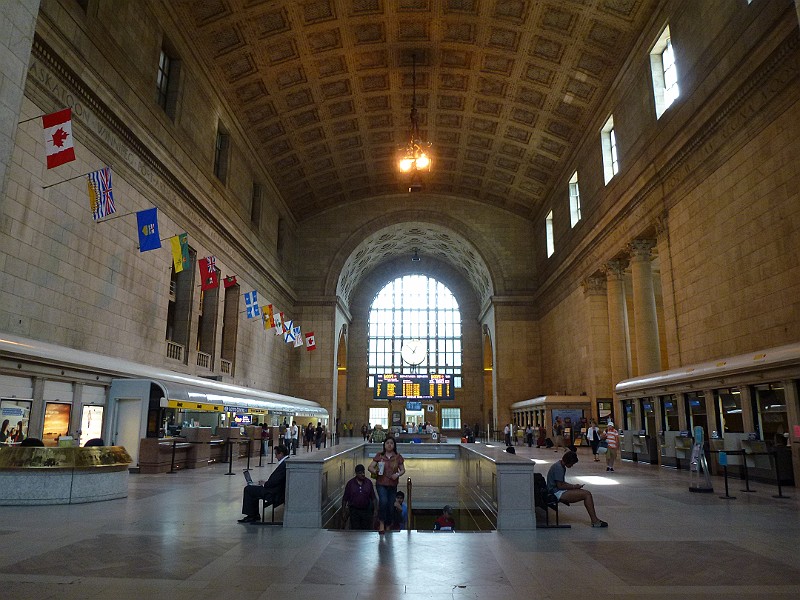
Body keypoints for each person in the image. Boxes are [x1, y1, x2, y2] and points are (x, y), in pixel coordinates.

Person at [546, 450, 608, 527]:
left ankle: (594, 520)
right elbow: (560, 486)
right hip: (556, 492)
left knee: (585, 493)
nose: (572, 466)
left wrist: (574, 486)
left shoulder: (560, 465)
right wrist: (574, 487)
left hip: (556, 490)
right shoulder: (559, 468)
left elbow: (561, 483)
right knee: (587, 494)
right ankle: (594, 520)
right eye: (572, 464)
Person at [238, 444, 289, 523]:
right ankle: (254, 514)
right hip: (278, 491)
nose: (275, 457)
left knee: (248, 489)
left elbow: (275, 481)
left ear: (281, 454)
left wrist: (265, 484)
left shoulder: (284, 464)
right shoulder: (286, 462)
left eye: (276, 454)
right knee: (253, 489)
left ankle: (251, 515)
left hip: (274, 493)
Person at [368, 436, 405, 534]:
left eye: (391, 443)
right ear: (384, 445)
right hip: (381, 483)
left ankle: (388, 524)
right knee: (383, 501)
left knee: (390, 504)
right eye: (387, 443)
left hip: (392, 484)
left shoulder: (397, 457)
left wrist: (397, 474)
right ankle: (381, 523)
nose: (389, 445)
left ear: (394, 445)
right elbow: (370, 467)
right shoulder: (380, 456)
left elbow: (402, 470)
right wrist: (375, 470)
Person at [341, 464, 376, 530]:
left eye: (363, 472)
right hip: (354, 511)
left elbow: (373, 497)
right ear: (356, 473)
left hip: (366, 510)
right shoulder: (350, 484)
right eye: (360, 473)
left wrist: (375, 510)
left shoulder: (368, 483)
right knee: (355, 529)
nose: (362, 474)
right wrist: (343, 511)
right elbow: (345, 499)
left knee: (366, 529)